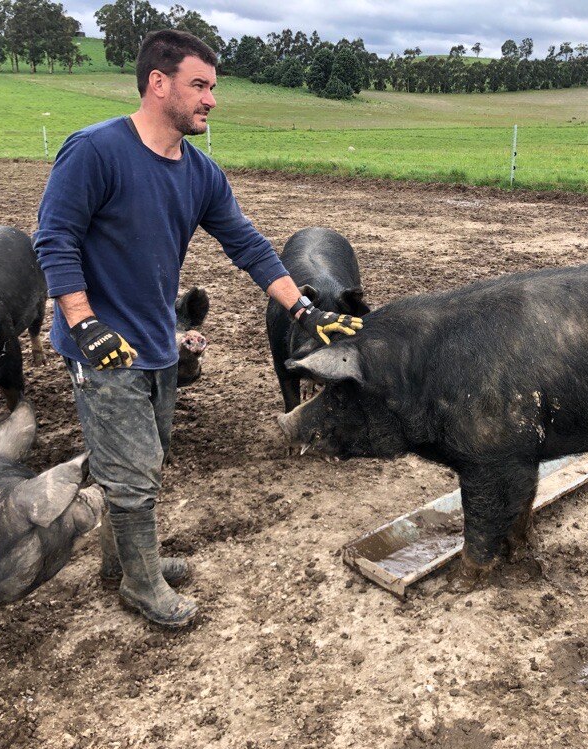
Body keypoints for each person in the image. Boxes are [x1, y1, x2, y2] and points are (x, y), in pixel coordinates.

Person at [33, 29, 363, 628]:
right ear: (159, 85)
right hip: (103, 345)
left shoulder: (199, 173)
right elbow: (54, 240)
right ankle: (140, 583)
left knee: (145, 459)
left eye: (213, 87)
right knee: (131, 471)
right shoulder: (95, 151)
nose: (211, 99)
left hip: (157, 339)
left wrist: (303, 310)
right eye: (200, 86)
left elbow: (249, 246)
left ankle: (124, 562)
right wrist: (82, 322)